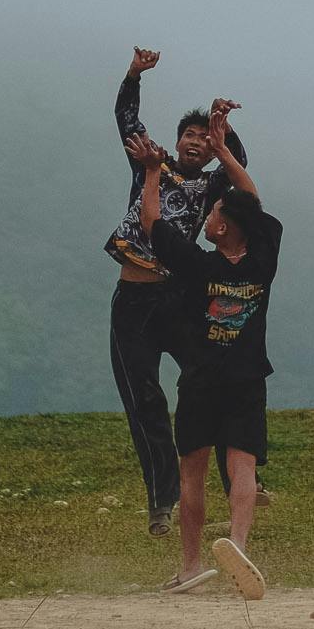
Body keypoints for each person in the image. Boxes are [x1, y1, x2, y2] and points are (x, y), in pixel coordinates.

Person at [104, 48, 251, 535]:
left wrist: (222, 126)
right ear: (177, 140)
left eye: (203, 140)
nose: (195, 143)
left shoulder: (211, 188)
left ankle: (240, 484)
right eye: (189, 134)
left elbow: (239, 168)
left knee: (212, 381)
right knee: (143, 398)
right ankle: (161, 501)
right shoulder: (151, 165)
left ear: (210, 150)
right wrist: (134, 75)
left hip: (178, 300)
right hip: (132, 302)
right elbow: (126, 119)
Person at [133, 113, 279, 598]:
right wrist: (226, 155)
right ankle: (237, 544)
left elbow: (151, 221)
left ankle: (192, 565)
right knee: (242, 467)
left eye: (215, 214)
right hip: (247, 379)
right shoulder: (263, 259)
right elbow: (252, 201)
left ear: (220, 230)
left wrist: (154, 170)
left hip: (200, 380)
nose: (208, 216)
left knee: (192, 469)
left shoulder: (197, 264)